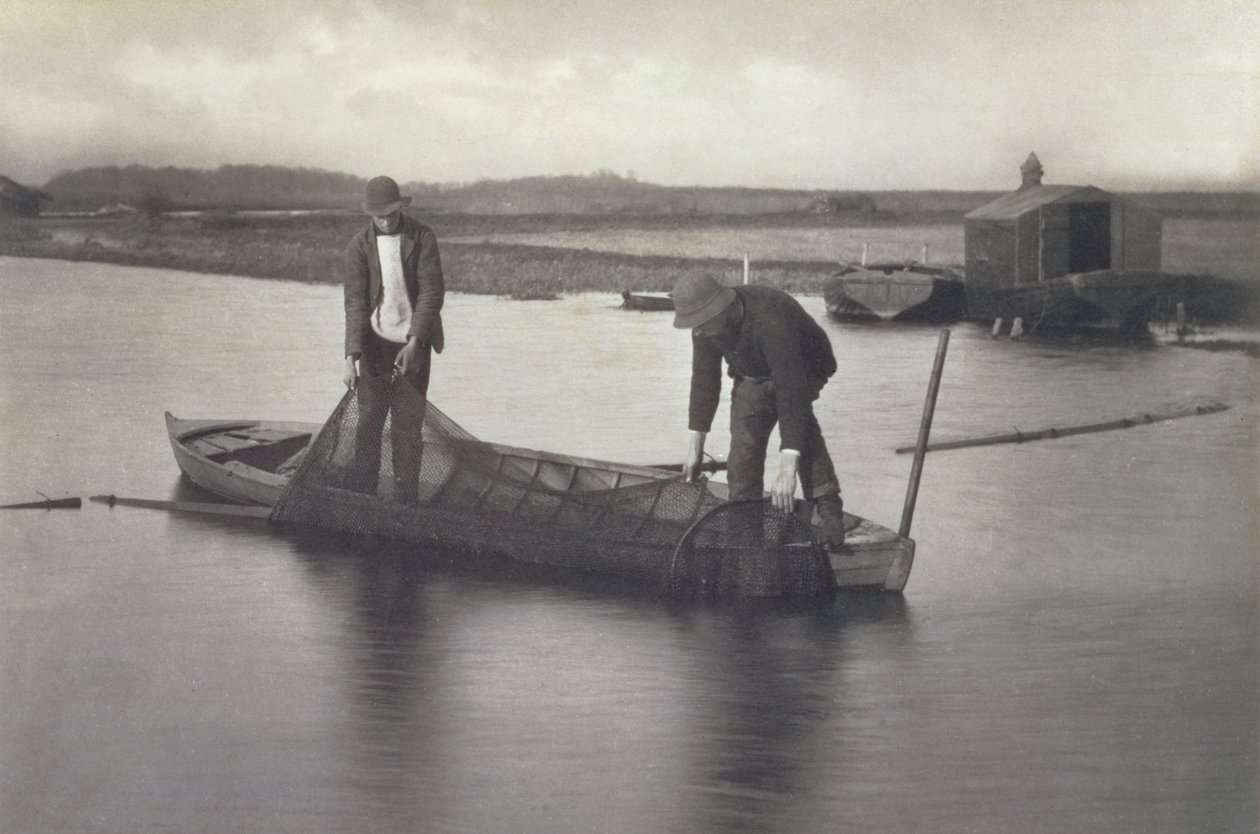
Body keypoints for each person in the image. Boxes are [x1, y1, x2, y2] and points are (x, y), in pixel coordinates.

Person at [673, 273, 848, 547]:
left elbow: (791, 394)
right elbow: (704, 382)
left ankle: (828, 511)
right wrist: (695, 448)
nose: (699, 332)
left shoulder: (769, 320)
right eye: (695, 326)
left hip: (807, 365)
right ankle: (745, 527)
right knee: (743, 448)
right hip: (753, 373)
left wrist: (787, 470)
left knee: (799, 426)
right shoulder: (703, 327)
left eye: (704, 324)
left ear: (723, 309)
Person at [342, 175, 445, 504]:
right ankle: (363, 496)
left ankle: (405, 500)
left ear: (400, 207)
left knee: (408, 428)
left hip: (414, 343)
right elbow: (355, 304)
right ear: (369, 214)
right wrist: (350, 358)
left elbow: (431, 293)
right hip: (374, 346)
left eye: (390, 213)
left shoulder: (422, 237)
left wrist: (415, 343)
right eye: (378, 215)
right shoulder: (358, 245)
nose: (385, 220)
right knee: (369, 422)